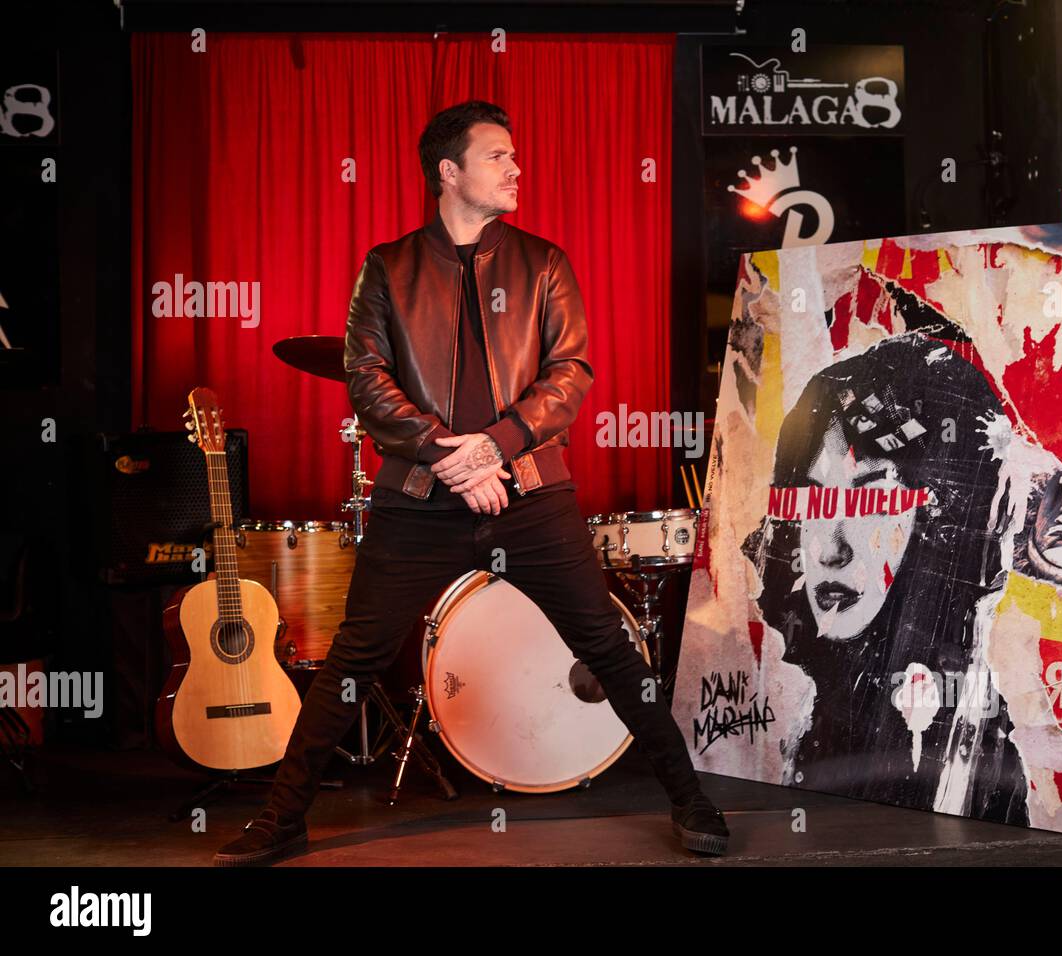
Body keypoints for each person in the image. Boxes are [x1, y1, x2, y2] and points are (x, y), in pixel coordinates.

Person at [213, 100, 728, 865]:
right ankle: (283, 818)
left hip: (531, 492)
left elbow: (571, 372)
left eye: (515, 156)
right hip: (418, 499)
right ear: (448, 172)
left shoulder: (544, 261)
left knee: (611, 649)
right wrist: (440, 455)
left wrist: (493, 448)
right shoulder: (386, 267)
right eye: (498, 156)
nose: (516, 168)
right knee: (354, 657)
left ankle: (692, 801)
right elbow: (365, 377)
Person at [741, 333, 1029, 825]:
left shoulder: (973, 759)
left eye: (872, 501)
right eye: (814, 500)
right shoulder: (798, 726)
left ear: (947, 522)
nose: (830, 548)